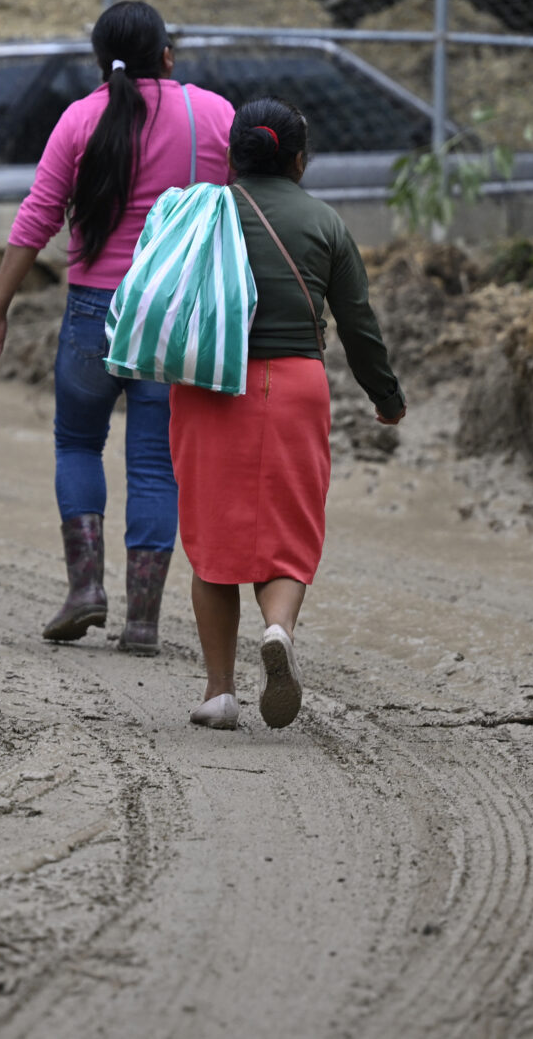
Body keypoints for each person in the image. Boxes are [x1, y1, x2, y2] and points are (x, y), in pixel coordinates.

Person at [0, 0, 235, 653]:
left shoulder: (79, 118)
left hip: (93, 312)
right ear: (167, 56)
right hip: (172, 319)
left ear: (99, 63)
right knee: (154, 466)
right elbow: (247, 201)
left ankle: (86, 588)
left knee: (77, 446)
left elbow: (37, 218)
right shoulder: (213, 114)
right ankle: (143, 621)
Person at [169, 97, 404, 730]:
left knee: (213, 539)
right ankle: (278, 629)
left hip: (208, 385)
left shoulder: (198, 210)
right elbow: (358, 323)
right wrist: (385, 395)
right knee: (289, 533)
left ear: (231, 157)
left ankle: (219, 693)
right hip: (296, 385)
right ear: (299, 161)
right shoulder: (325, 222)